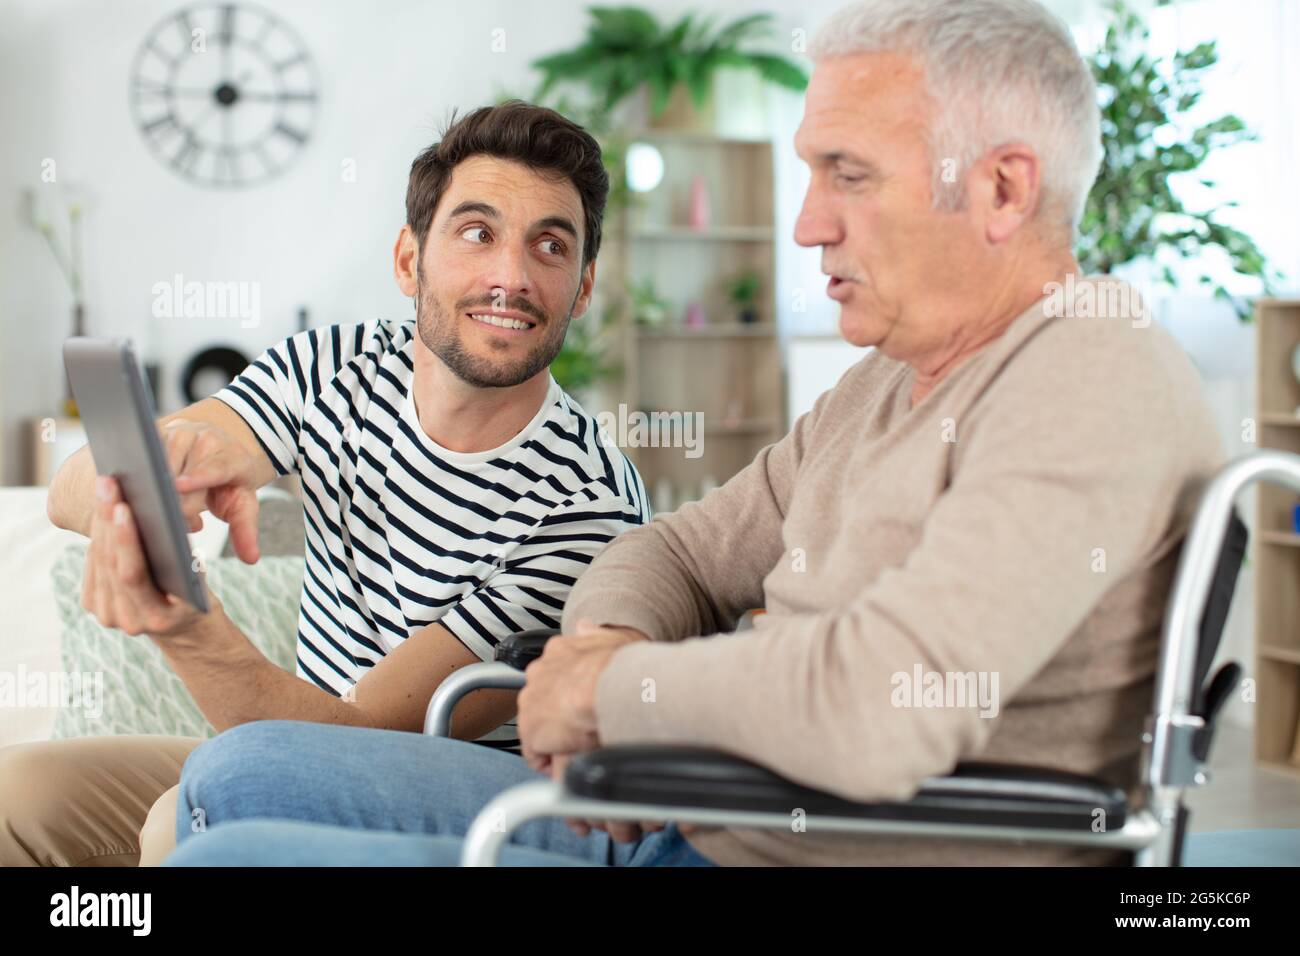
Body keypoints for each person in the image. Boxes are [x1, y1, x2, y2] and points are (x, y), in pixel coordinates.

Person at [166, 0, 1222, 867]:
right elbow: (669, 546)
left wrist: (618, 696)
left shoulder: (1091, 370)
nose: (805, 222)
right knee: (234, 771)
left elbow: (888, 701)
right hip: (681, 805)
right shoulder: (882, 384)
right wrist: (613, 655)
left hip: (795, 850)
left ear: (1001, 188)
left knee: (220, 857)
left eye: (847, 173)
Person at [0, 100, 648, 867]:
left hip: (444, 807)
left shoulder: (588, 509)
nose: (511, 276)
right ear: (409, 260)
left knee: (176, 820)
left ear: (580, 288)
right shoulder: (335, 367)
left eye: (549, 246)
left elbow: (357, 740)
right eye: (478, 233)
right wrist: (129, 505)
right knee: (20, 795)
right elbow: (78, 482)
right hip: (270, 754)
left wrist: (182, 624)